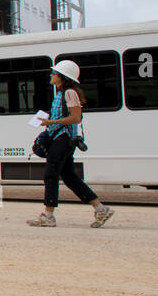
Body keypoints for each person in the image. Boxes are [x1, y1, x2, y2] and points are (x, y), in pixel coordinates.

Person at [28, 59, 115, 228]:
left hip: (62, 139)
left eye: (54, 73)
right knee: (69, 177)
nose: (51, 75)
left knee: (51, 175)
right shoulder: (61, 93)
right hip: (61, 139)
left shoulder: (69, 93)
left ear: (62, 77)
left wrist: (50, 123)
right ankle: (100, 208)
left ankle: (48, 216)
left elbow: (76, 118)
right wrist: (48, 119)